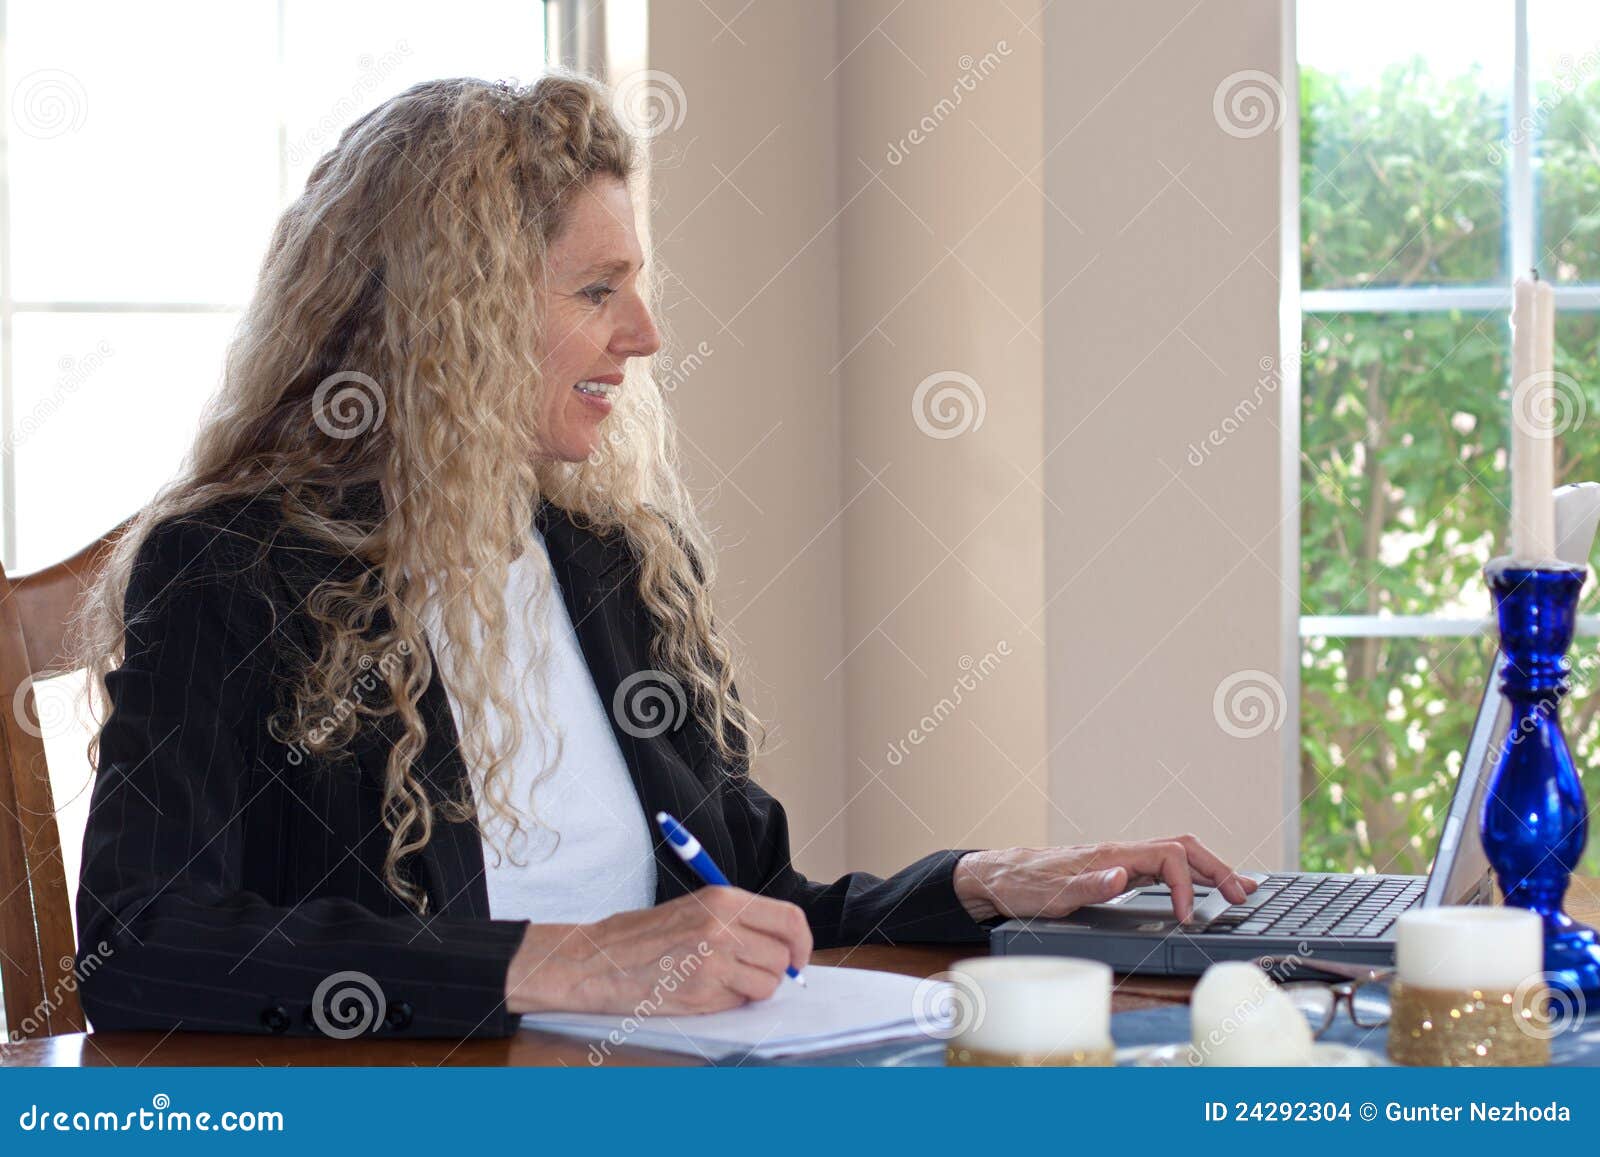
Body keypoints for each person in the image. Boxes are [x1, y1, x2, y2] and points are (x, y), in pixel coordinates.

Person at [71, 73, 1255, 1040]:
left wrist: (987, 881)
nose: (644, 335)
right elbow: (143, 944)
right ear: (449, 323)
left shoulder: (609, 558)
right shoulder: (232, 566)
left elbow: (752, 898)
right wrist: (566, 962)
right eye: (598, 290)